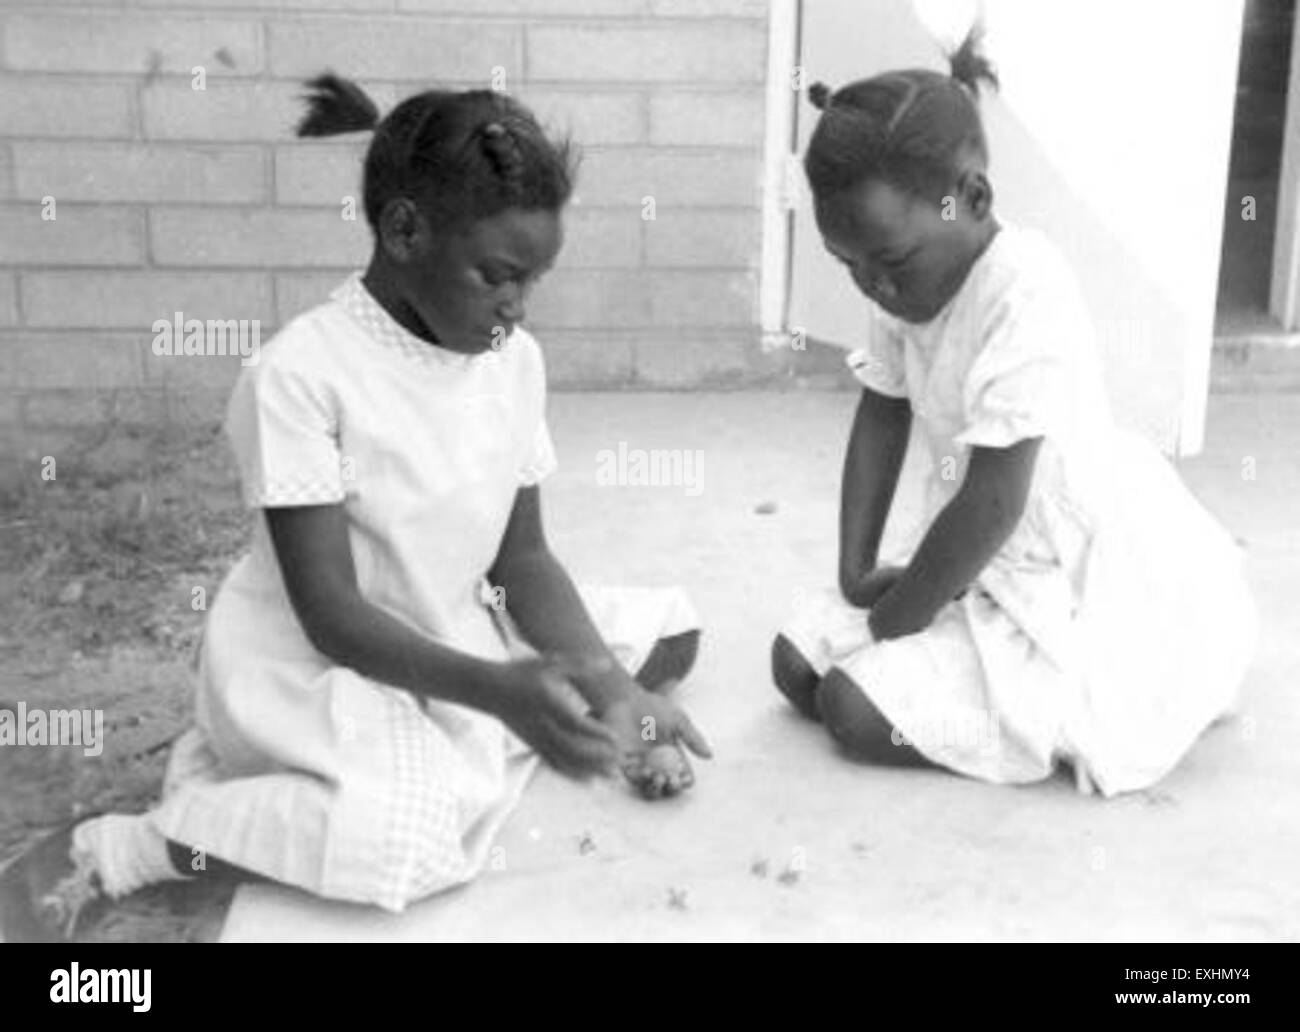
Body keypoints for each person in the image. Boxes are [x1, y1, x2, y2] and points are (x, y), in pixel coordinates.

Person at [2, 74, 709, 941]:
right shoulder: (303, 375)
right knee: (404, 846)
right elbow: (332, 616)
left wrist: (609, 685)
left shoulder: (512, 361)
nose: (517, 307)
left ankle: (525, 714)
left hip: (454, 628)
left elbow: (521, 562)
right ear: (404, 229)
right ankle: (140, 846)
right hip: (321, 667)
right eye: (498, 276)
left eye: (534, 281)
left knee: (655, 643)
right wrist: (499, 691)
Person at [772, 30, 1256, 796]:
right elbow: (881, 416)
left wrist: (900, 617)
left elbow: (997, 501)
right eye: (848, 267)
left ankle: (1032, 706)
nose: (873, 288)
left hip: (1052, 566)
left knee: (850, 708)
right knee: (793, 664)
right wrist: (856, 568)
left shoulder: (1027, 291)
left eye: (888, 263)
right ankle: (930, 634)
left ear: (972, 198)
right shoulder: (899, 283)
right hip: (969, 547)